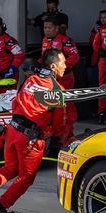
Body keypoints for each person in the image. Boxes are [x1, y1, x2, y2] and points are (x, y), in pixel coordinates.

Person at [0, 49, 67, 213]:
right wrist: (51, 134)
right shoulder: (57, 90)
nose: (66, 65)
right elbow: (59, 124)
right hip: (30, 138)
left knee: (10, 168)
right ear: (53, 66)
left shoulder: (30, 80)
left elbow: (15, 103)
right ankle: (0, 208)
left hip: (12, 130)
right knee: (26, 178)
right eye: (63, 62)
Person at [42, 13, 80, 142]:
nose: (47, 30)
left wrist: (59, 68)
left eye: (49, 28)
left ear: (57, 28)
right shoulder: (45, 40)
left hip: (64, 78)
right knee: (54, 108)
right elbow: (44, 59)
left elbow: (75, 57)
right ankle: (65, 136)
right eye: (45, 28)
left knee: (66, 108)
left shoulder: (65, 40)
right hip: (49, 80)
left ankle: (65, 138)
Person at [0, 15, 25, 81]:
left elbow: (20, 55)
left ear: (3, 27)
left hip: (7, 75)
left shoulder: (8, 40)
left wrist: (11, 70)